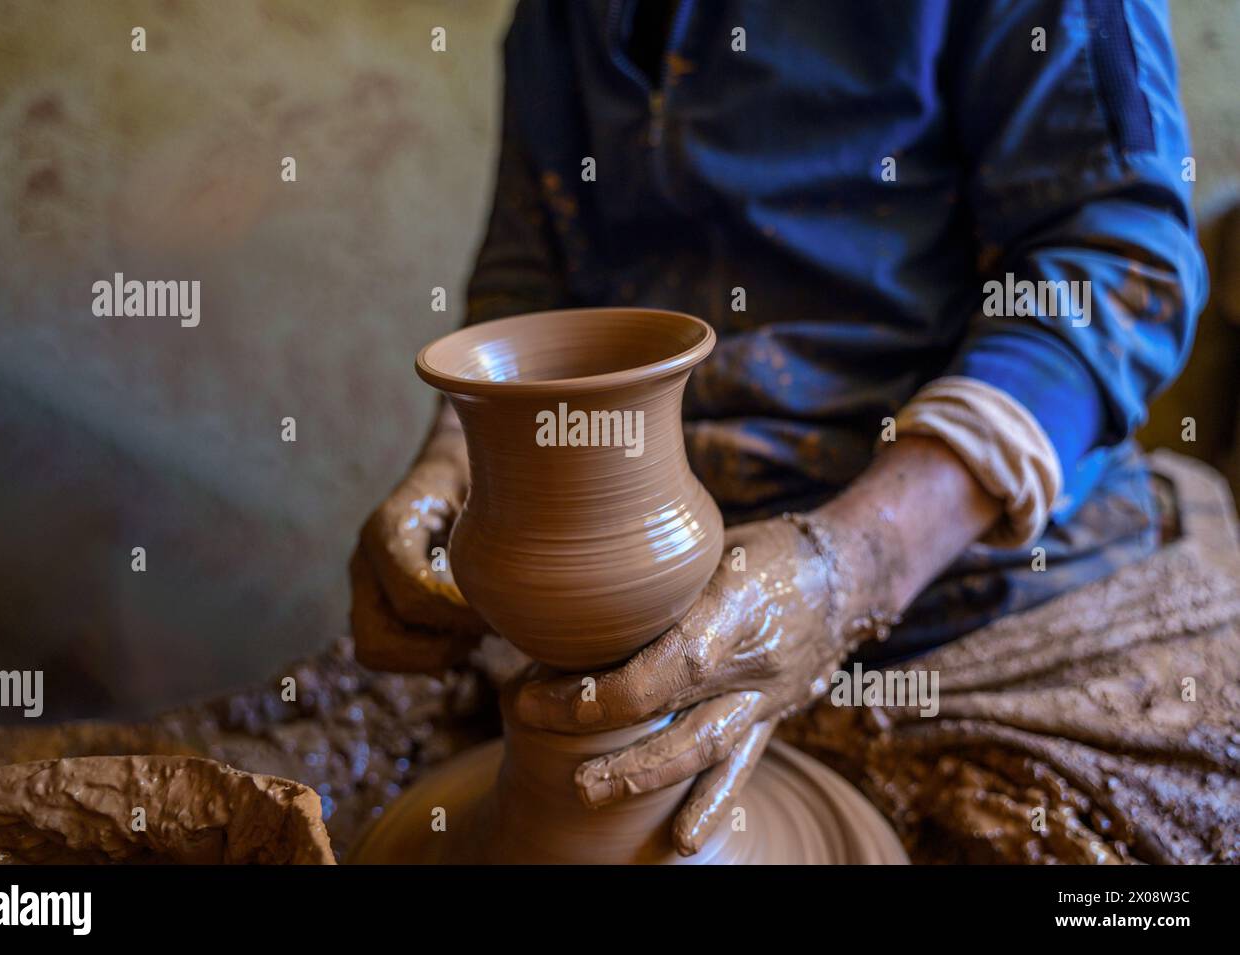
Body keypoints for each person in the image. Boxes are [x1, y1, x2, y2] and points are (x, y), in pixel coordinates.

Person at [349, 0, 1206, 856]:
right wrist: (458, 469)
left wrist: (854, 568)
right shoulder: (558, 21)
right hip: (642, 602)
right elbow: (529, 289)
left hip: (975, 570)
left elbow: (1121, 263)